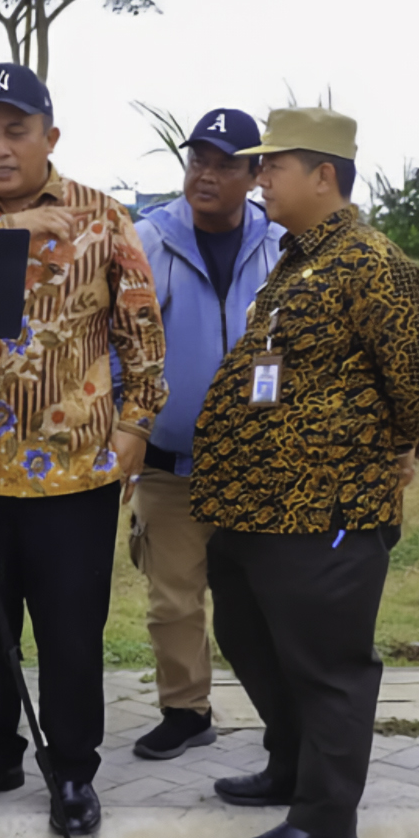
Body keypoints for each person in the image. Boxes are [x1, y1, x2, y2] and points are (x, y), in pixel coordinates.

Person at [0, 63, 167, 835]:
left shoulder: (102, 215)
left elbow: (140, 327)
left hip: (75, 470)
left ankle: (73, 769)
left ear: (49, 136)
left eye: (16, 131)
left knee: (69, 631)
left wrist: (135, 425)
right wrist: (7, 233)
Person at [190, 108, 419, 838]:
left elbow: (417, 383)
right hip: (256, 507)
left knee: (328, 666)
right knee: (251, 638)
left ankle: (326, 821)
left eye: (273, 165)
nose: (259, 177)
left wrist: (390, 448)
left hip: (325, 509)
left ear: (323, 174)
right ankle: (289, 766)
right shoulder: (298, 259)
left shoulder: (373, 263)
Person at [128, 108, 284, 760]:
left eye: (225, 165)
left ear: (255, 174)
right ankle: (186, 710)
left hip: (261, 466)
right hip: (170, 463)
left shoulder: (282, 244)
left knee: (269, 600)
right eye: (198, 161)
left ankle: (287, 717)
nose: (207, 175)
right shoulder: (146, 240)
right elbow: (119, 343)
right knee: (173, 600)